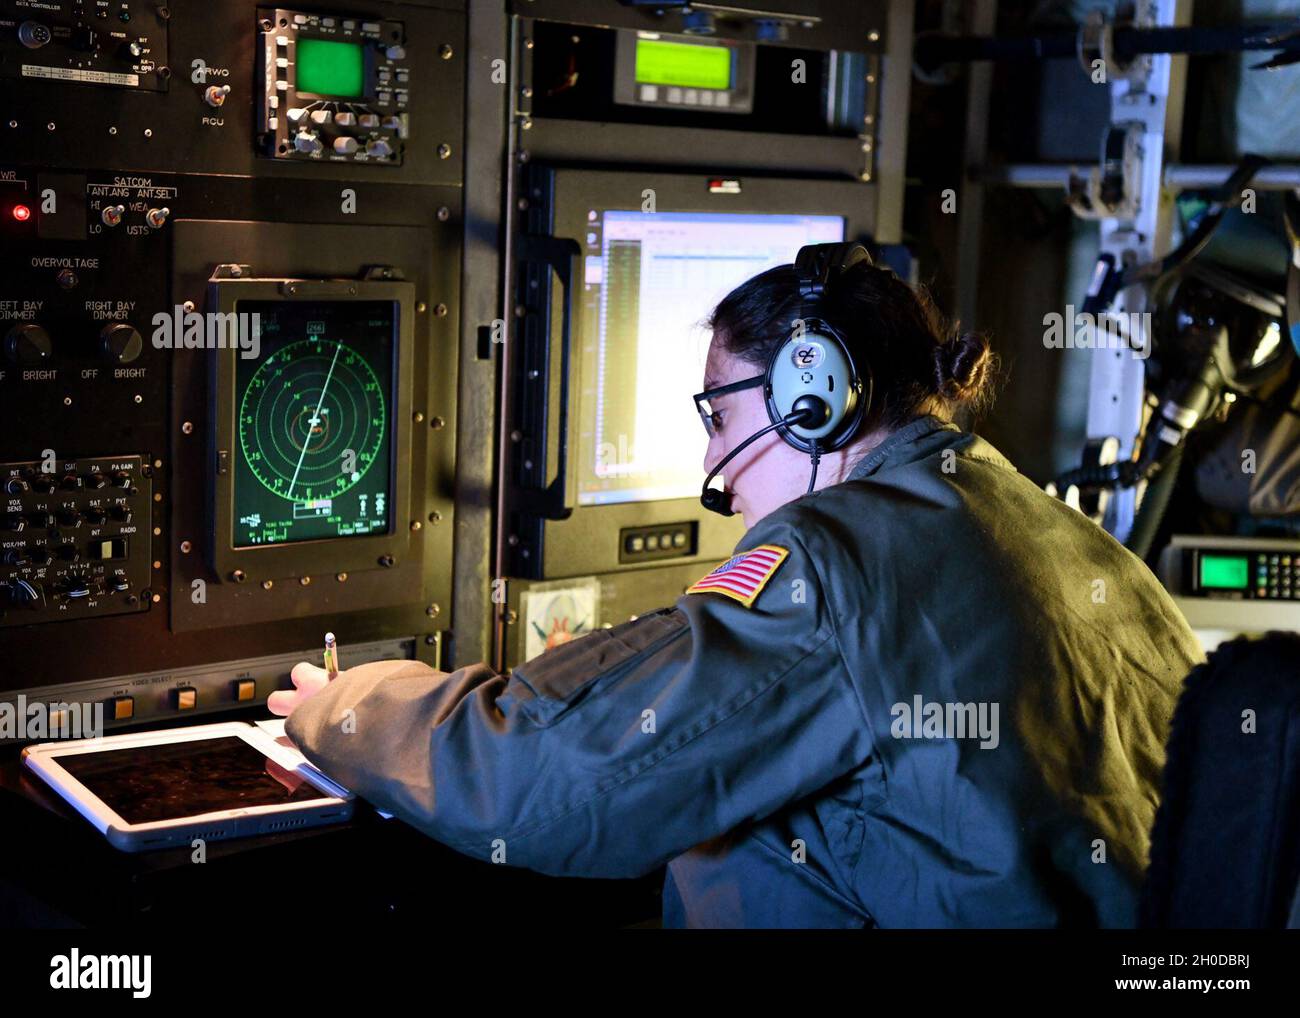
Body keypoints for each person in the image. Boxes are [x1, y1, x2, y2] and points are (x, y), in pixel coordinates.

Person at [270, 246, 1205, 928]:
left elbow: (545, 784)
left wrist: (349, 706)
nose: (715, 460)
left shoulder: (837, 553)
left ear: (813, 399)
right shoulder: (1065, 536)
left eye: (720, 414)